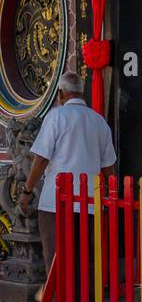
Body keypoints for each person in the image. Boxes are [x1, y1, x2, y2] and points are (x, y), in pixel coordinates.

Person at [18, 70, 116, 282]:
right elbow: (109, 168)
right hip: (90, 202)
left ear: (61, 93)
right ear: (82, 94)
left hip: (55, 204)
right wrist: (111, 197)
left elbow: (41, 159)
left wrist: (26, 192)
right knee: (85, 260)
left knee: (56, 259)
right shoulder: (99, 122)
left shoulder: (55, 117)